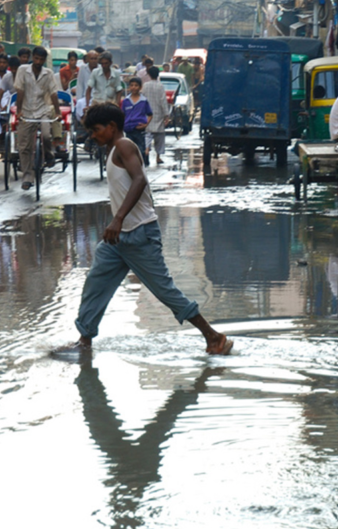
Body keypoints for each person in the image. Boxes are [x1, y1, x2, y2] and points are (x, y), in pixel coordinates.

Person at [66, 103, 233, 354]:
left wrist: (117, 219)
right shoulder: (112, 149)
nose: (93, 136)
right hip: (119, 239)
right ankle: (84, 341)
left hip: (140, 234)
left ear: (112, 127)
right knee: (95, 284)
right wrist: (118, 223)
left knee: (163, 290)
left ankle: (213, 337)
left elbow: (140, 180)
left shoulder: (123, 146)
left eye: (96, 130)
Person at [14, 46, 61, 190]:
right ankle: (27, 176)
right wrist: (19, 111)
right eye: (36, 58)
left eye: (41, 59)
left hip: (43, 111)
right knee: (24, 146)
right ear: (32, 58)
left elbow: (53, 93)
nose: (38, 62)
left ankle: (49, 155)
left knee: (46, 135)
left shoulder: (48, 73)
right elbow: (20, 91)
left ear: (44, 60)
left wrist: (58, 112)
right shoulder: (23, 70)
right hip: (27, 112)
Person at [141, 66, 170, 165]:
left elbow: (142, 98)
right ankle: (158, 157)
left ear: (149, 75)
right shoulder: (160, 86)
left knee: (148, 134)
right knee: (160, 136)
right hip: (158, 113)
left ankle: (146, 150)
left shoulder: (145, 86)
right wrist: (166, 115)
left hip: (147, 114)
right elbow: (163, 101)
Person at [121, 77, 152, 166]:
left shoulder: (144, 101)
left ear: (140, 87)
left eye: (136, 85)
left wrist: (145, 124)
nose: (133, 87)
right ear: (129, 87)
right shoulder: (126, 101)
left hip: (139, 130)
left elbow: (150, 114)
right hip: (128, 130)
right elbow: (122, 115)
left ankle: (141, 166)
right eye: (131, 85)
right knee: (129, 150)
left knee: (140, 150)